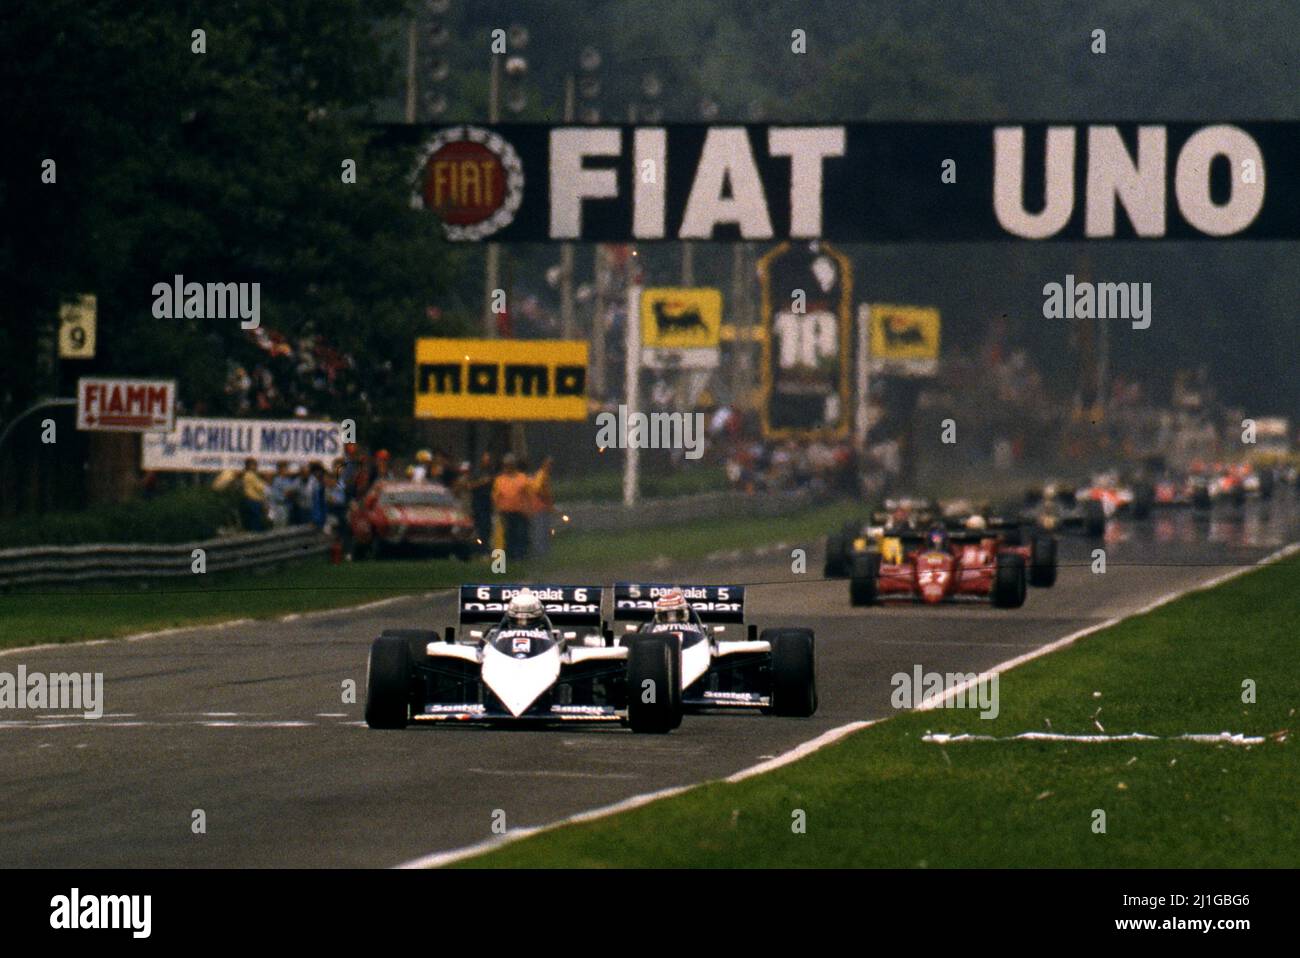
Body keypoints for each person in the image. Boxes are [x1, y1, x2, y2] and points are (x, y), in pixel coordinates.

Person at [492, 454, 532, 561]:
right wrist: (497, 510)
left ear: (514, 465)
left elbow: (529, 495)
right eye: (505, 465)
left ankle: (520, 555)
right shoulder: (499, 480)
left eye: (510, 465)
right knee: (508, 535)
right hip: (506, 512)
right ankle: (510, 556)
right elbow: (496, 497)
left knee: (521, 534)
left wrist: (529, 509)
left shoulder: (523, 478)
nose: (507, 467)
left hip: (521, 512)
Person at [468, 452, 495, 554]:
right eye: (485, 460)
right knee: (478, 526)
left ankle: (485, 547)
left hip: (488, 503)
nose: (487, 462)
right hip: (478, 503)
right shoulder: (476, 473)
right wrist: (482, 482)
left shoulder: (491, 472)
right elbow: (470, 486)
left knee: (487, 527)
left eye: (488, 460)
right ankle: (477, 548)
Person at [238, 458, 269, 532]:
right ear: (249, 465)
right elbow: (261, 487)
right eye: (254, 465)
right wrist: (266, 480)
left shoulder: (251, 475)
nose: (256, 467)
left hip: (254, 501)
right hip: (253, 501)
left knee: (256, 521)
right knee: (256, 521)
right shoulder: (250, 475)